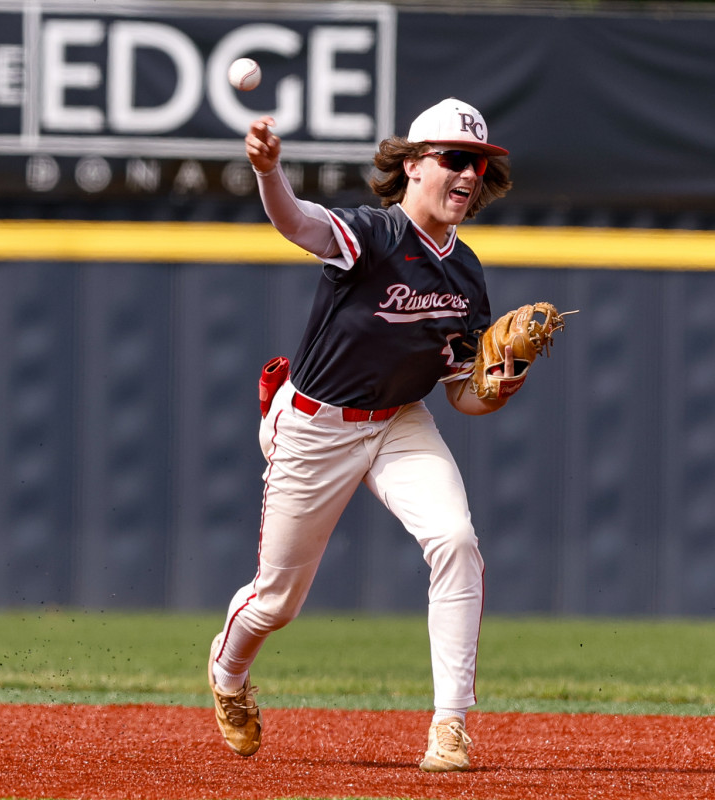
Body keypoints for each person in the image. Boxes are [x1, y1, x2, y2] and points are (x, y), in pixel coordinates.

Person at [208, 97, 516, 773]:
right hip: (316, 425)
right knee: (276, 602)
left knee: (456, 541)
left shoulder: (467, 272)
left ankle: (450, 726)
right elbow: (297, 222)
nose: (469, 174)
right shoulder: (373, 234)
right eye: (455, 158)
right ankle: (228, 676)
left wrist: (502, 381)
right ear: (413, 165)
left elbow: (462, 394)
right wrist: (268, 171)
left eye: (478, 164)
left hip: (400, 420)